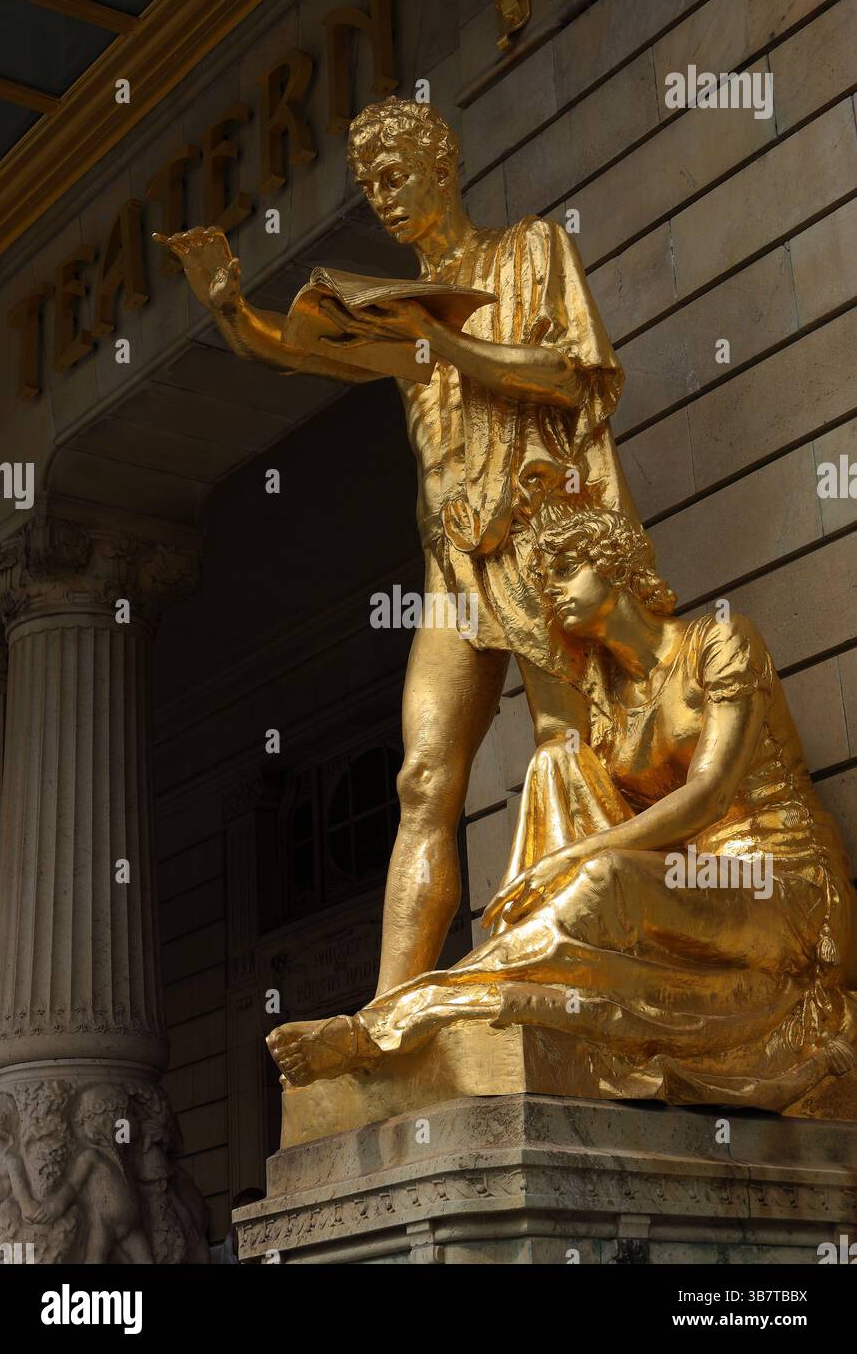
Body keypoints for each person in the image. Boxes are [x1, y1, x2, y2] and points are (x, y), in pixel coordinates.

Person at [158, 97, 641, 996]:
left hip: (540, 536)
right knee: (422, 778)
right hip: (452, 569)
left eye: (393, 176)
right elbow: (287, 351)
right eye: (368, 184)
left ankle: (580, 964)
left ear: (440, 167)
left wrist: (438, 340)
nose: (380, 197)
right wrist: (227, 305)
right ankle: (388, 1014)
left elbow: (570, 376)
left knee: (566, 743)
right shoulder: (395, 317)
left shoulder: (527, 251)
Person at [267, 507, 857, 1114]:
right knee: (557, 763)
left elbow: (708, 793)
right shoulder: (608, 704)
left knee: (608, 878)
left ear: (619, 568)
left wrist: (576, 858)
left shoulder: (721, 640)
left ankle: (386, 1023)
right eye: (547, 578)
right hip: (690, 885)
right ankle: (467, 999)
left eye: (568, 569)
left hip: (781, 884)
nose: (554, 589)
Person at [210, 1187, 265, 1264]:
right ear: (233, 1223)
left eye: (256, 1221)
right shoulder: (211, 1258)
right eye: (244, 1219)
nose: (250, 1227)